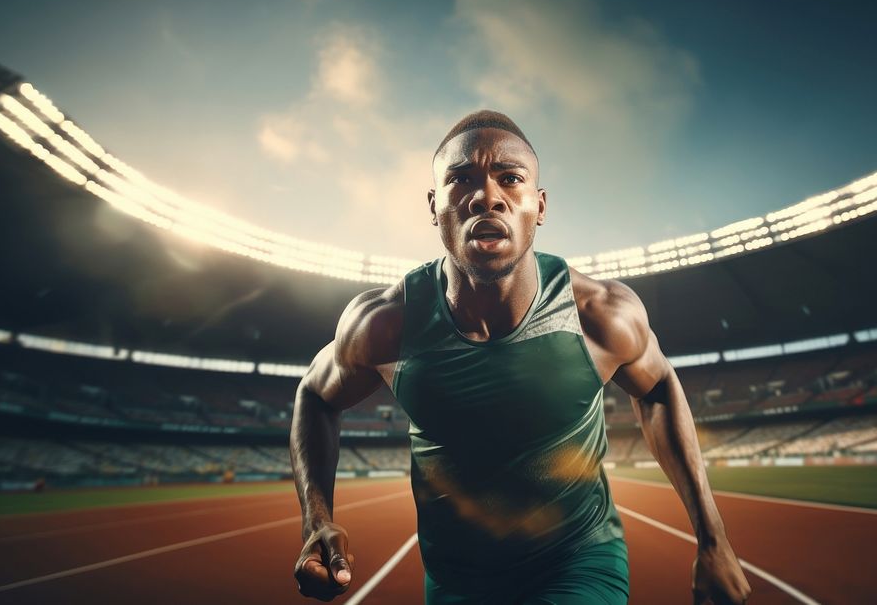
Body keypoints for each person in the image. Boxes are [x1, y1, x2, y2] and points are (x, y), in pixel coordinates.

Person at [290, 111, 751, 604]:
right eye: (460, 179)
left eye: (510, 179)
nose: (486, 196)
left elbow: (659, 387)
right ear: (434, 206)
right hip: (452, 582)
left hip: (579, 563)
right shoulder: (383, 325)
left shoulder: (600, 315)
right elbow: (316, 396)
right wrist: (316, 519)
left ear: (540, 205)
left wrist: (713, 538)